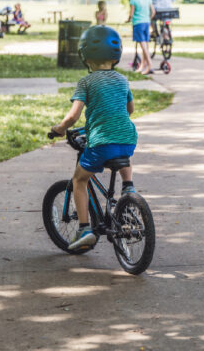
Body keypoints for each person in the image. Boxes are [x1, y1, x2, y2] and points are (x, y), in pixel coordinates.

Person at [50, 26, 137, 250]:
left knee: (79, 180)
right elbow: (130, 109)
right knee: (123, 151)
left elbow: (73, 116)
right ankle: (128, 187)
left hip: (100, 142)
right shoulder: (123, 80)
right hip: (128, 139)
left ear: (85, 56)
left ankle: (84, 229)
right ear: (116, 56)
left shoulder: (86, 82)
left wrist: (60, 128)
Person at [127, 0, 156, 74]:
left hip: (138, 24)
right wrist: (148, 18)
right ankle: (142, 66)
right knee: (146, 44)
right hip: (146, 23)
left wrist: (128, 19)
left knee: (143, 45)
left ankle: (149, 65)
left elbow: (131, 14)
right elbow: (153, 12)